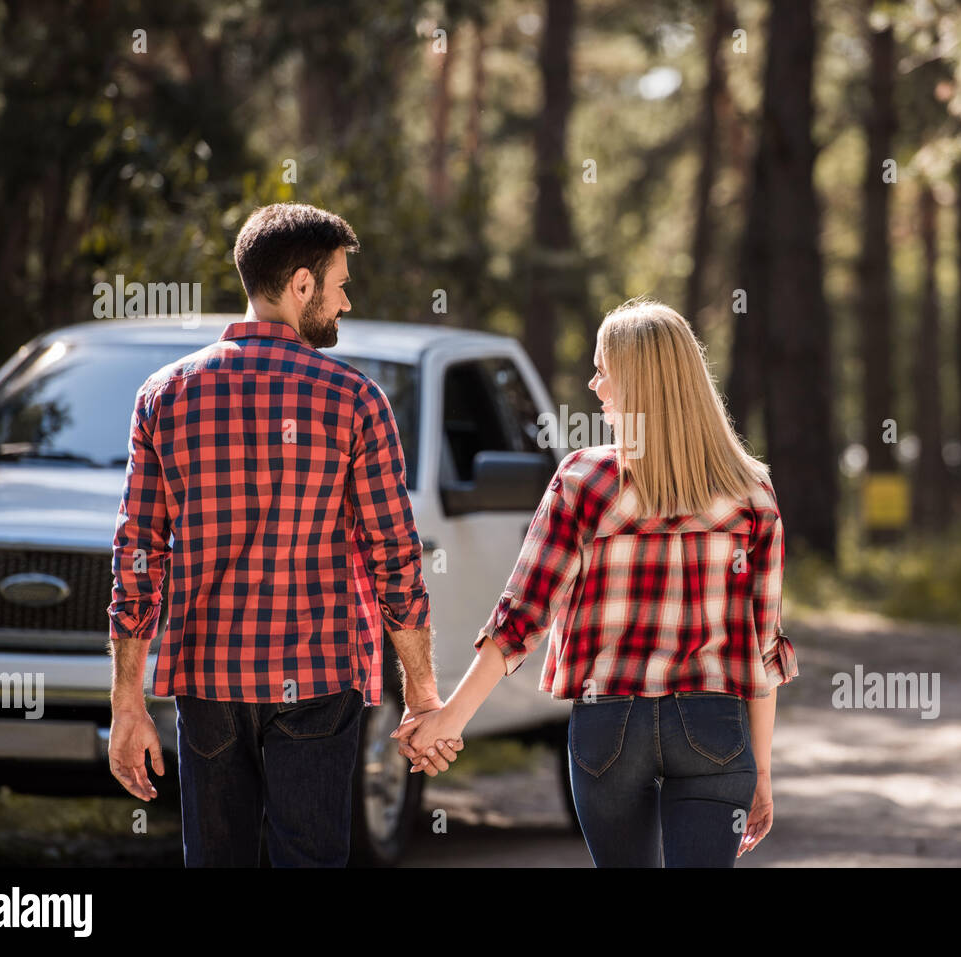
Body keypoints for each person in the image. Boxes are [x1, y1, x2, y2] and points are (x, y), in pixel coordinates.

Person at [106, 202, 457, 867]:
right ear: (301, 285)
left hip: (206, 677)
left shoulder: (163, 394)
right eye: (339, 283)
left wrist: (128, 701)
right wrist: (420, 692)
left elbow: (137, 554)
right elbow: (395, 557)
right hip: (320, 674)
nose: (345, 301)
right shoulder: (354, 399)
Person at [394, 297, 798, 867]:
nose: (594, 384)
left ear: (637, 383)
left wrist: (447, 721)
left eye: (604, 371)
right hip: (713, 727)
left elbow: (524, 616)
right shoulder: (752, 492)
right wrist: (760, 768)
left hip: (610, 726)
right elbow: (763, 649)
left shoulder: (585, 479)